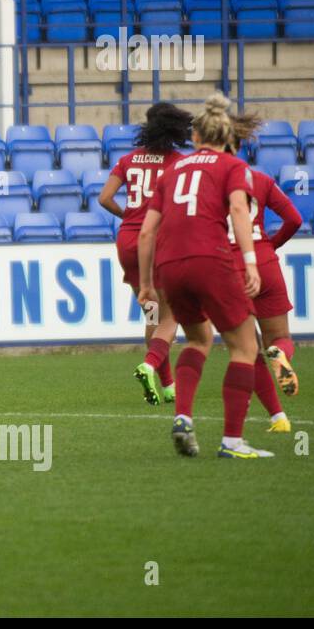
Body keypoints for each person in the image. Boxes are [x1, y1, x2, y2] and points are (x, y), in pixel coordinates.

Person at [137, 93, 268, 459]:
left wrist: (147, 284)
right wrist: (251, 262)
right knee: (245, 347)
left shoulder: (172, 171)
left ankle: (182, 417)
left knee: (197, 340)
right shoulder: (231, 166)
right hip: (210, 260)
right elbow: (239, 211)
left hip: (169, 267)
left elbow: (147, 232)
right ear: (226, 136)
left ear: (195, 138)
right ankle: (232, 442)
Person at [98, 102, 193, 405]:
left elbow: (104, 198)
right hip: (159, 241)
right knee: (171, 314)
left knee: (151, 311)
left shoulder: (127, 160)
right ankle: (150, 365)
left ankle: (166, 386)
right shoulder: (178, 163)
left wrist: (128, 215)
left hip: (129, 242)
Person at [225, 114, 303, 431]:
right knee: (280, 338)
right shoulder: (261, 180)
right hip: (265, 262)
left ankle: (278, 417)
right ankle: (280, 354)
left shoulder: (208, 181)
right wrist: (270, 245)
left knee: (247, 350)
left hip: (231, 267)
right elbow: (295, 219)